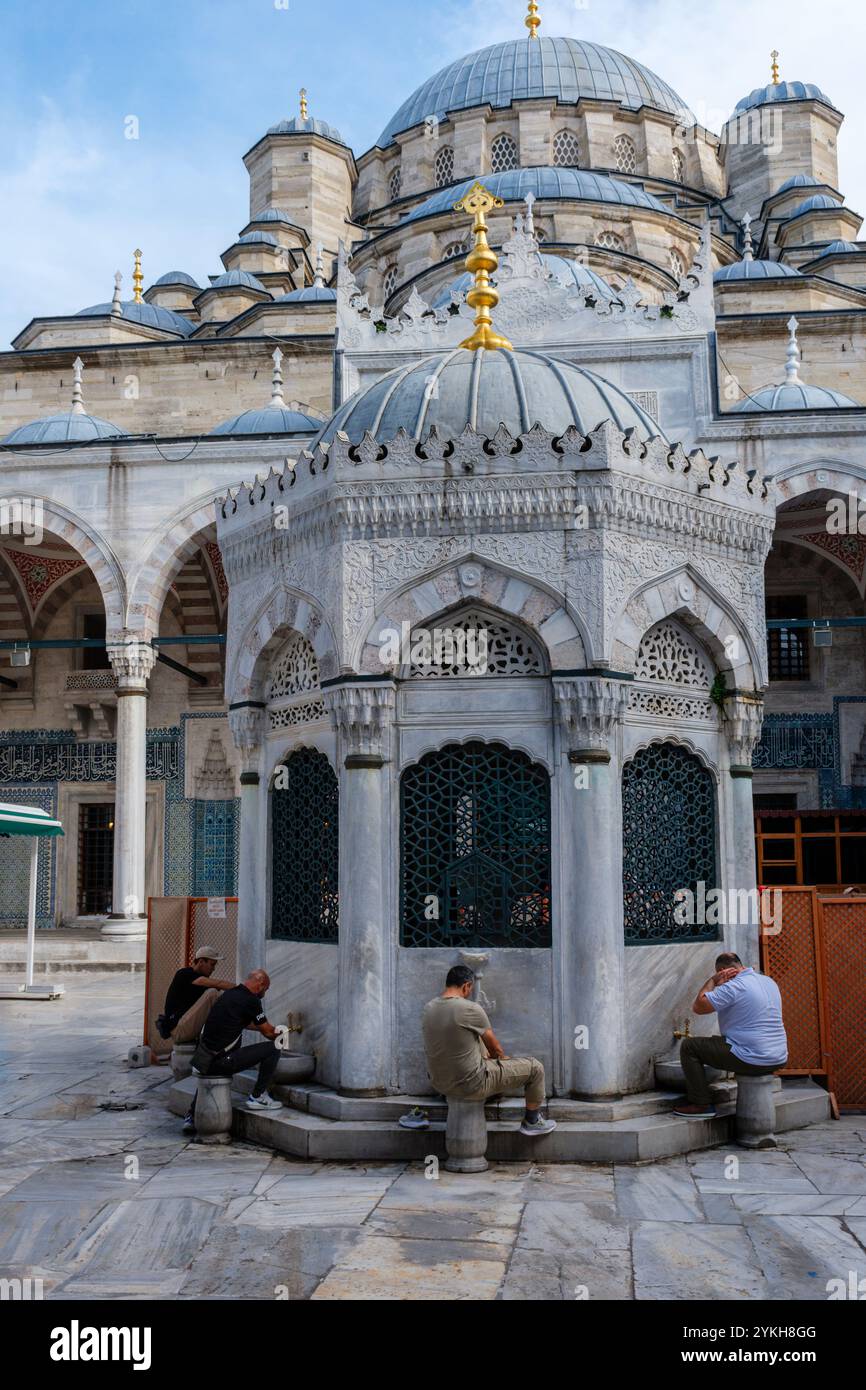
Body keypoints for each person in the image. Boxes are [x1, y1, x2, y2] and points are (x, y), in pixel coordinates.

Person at [421, 965, 556, 1137]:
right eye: (469, 989)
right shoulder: (470, 1008)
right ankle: (532, 1121)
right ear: (466, 986)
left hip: (440, 1083)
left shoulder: (429, 1008)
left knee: (472, 1039)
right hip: (471, 1084)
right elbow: (496, 1049)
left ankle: (491, 1089)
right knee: (535, 1068)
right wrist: (504, 1063)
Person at [674, 952, 789, 1119]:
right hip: (779, 1056)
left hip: (754, 1058)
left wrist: (713, 981)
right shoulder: (768, 981)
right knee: (719, 1041)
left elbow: (699, 1007)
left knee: (690, 1046)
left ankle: (701, 1104)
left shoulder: (734, 987)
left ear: (722, 970)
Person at [185, 969, 283, 1136]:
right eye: (266, 989)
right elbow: (268, 1032)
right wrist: (281, 1032)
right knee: (273, 1048)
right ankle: (258, 1096)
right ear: (260, 985)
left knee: (211, 1065)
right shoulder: (252, 1001)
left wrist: (264, 1028)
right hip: (223, 1061)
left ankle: (191, 1116)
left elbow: (241, 1022)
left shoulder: (231, 994)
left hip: (204, 1059)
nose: (265, 993)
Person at [162, 948, 235, 1045]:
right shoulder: (185, 974)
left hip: (185, 1027)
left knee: (221, 997)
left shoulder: (201, 982)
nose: (213, 969)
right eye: (212, 964)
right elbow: (219, 983)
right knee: (212, 993)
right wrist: (244, 990)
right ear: (201, 962)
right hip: (179, 1030)